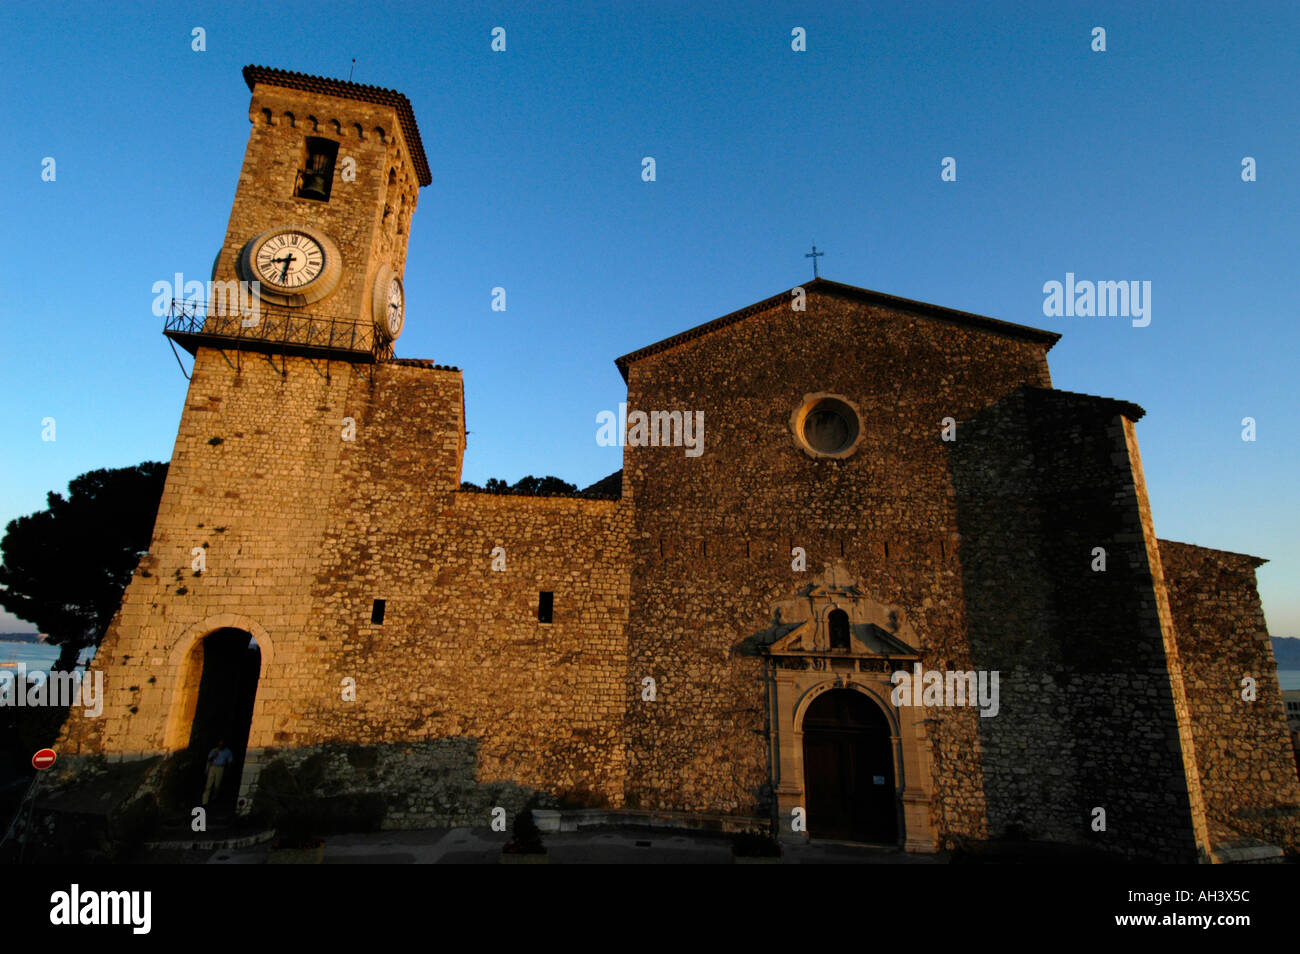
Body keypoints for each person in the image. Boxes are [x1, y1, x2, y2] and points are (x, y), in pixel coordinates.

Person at [203, 740, 234, 806]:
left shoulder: (227, 752)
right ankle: (204, 802)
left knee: (217, 785)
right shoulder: (214, 750)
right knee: (208, 785)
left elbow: (229, 762)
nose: (220, 746)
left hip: (221, 768)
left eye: (222, 744)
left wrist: (228, 771)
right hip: (213, 767)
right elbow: (209, 759)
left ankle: (214, 799)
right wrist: (214, 755)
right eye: (219, 744)